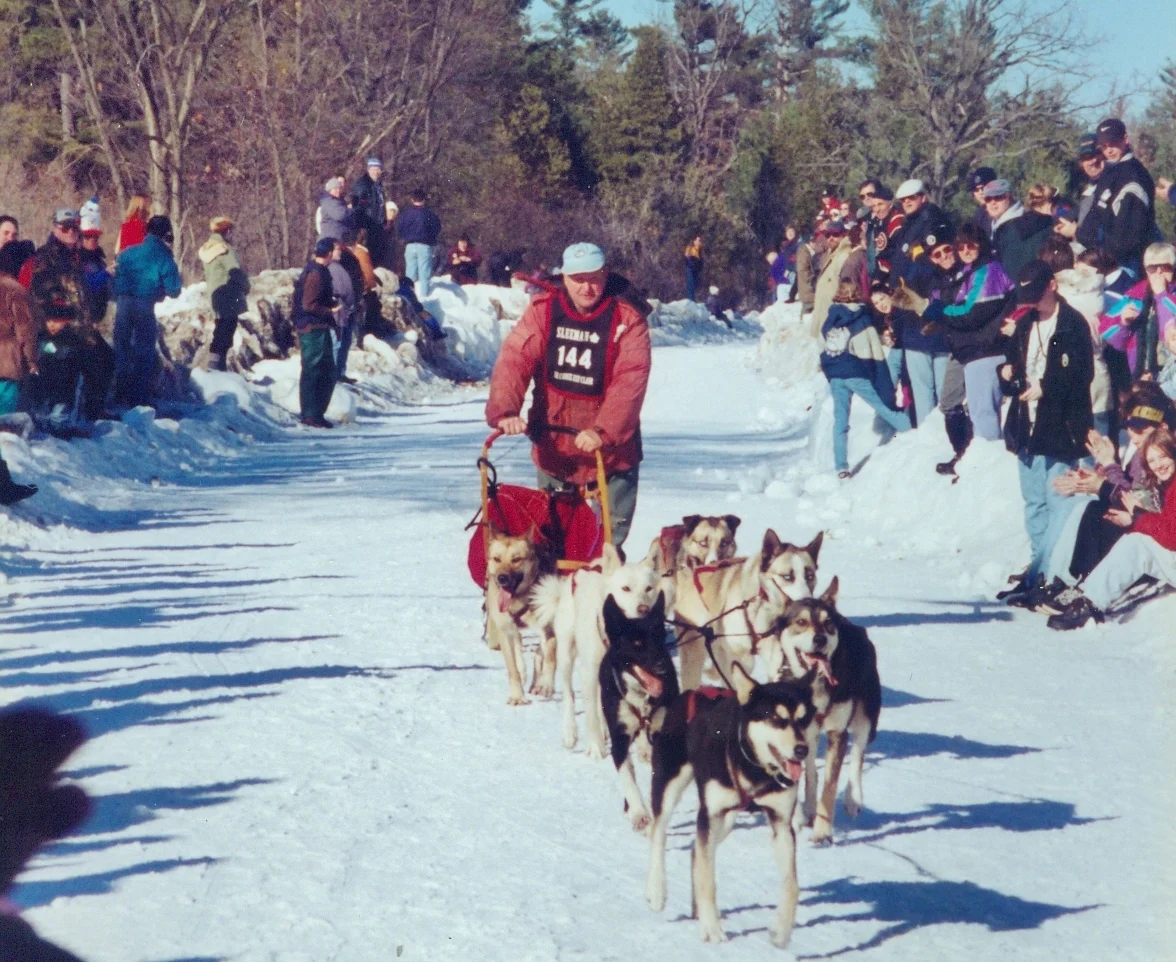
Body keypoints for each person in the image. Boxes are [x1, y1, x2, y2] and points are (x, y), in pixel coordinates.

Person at [485, 242, 651, 551]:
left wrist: (604, 430)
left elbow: (631, 380)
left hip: (613, 451)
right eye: (578, 279)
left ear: (606, 276)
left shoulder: (628, 319)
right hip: (555, 444)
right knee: (552, 538)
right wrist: (506, 410)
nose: (587, 288)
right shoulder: (544, 311)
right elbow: (515, 359)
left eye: (595, 278)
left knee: (608, 544)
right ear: (564, 278)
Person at [997, 260, 1094, 605]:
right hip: (1027, 425)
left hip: (1061, 426)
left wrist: (1046, 386)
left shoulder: (1072, 324)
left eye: (1037, 294)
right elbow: (1009, 364)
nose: (1033, 302)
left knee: (1059, 502)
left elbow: (1081, 376)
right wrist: (1007, 373)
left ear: (1051, 285)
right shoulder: (1025, 323)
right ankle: (1038, 570)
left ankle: (1052, 573)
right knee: (1034, 502)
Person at [1047, 427, 1176, 629]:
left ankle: (1088, 601)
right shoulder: (1165, 483)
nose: (1158, 465)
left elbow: (1171, 535)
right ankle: (1074, 589)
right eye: (1152, 461)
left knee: (1136, 543)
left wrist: (1138, 517)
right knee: (1094, 513)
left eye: (1163, 457)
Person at [27, 208, 115, 421]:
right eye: (65, 227)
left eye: (75, 227)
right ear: (55, 228)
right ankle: (57, 418)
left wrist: (90, 316)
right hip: (59, 327)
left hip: (81, 326)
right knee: (64, 369)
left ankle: (91, 412)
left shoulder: (75, 256)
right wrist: (56, 318)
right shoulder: (46, 256)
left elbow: (82, 292)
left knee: (105, 359)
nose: (70, 232)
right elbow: (40, 293)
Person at [821, 277, 910, 478]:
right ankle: (913, 434)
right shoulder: (862, 319)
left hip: (835, 374)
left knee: (840, 420)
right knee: (883, 408)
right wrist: (882, 381)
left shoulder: (831, 319)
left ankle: (841, 467)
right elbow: (873, 354)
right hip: (856, 373)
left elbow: (825, 346)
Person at [110, 215, 182, 407]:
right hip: (145, 305)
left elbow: (114, 281)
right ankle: (137, 398)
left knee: (121, 348)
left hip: (123, 304)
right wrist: (159, 291)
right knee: (144, 351)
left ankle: (118, 394)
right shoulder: (164, 257)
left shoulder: (127, 253)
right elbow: (174, 289)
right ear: (166, 234)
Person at [1074, 118, 1156, 276]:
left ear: (1125, 139)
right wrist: (1081, 234)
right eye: (1104, 146)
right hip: (1104, 260)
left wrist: (1089, 239)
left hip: (1126, 264)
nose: (1109, 150)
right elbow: (1096, 213)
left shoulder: (1135, 176)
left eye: (1113, 143)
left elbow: (1127, 238)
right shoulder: (1111, 171)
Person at [293, 238, 339, 428]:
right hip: (312, 328)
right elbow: (308, 304)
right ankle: (310, 415)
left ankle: (317, 413)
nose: (339, 253)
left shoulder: (321, 271)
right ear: (328, 252)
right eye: (336, 249)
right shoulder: (314, 274)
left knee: (327, 370)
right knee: (313, 370)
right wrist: (331, 310)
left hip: (320, 327)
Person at [197, 216, 250, 371]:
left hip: (215, 295)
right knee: (226, 333)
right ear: (227, 230)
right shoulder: (224, 249)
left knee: (220, 330)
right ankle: (217, 369)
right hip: (229, 295)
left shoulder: (207, 248)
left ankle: (215, 366)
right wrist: (246, 287)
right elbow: (236, 272)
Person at [983, 179, 1053, 280]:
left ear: (1009, 197)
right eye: (988, 199)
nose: (993, 202)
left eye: (998, 197)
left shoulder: (1015, 226)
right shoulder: (997, 227)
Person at [0, 242, 39, 417]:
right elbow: (25, 330)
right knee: (5, 415)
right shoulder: (15, 290)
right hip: (7, 361)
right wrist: (31, 360)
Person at [397, 188, 442, 298]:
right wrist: (431, 239)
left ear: (412, 200)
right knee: (424, 274)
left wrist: (404, 237)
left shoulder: (405, 214)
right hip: (424, 245)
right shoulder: (429, 214)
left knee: (410, 273)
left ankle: (408, 298)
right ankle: (424, 298)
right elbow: (437, 228)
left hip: (410, 245)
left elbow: (399, 228)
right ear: (424, 200)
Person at [325, 239, 357, 383]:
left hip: (346, 311)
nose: (340, 252)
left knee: (344, 343)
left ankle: (340, 373)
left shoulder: (340, 266)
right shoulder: (330, 268)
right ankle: (333, 376)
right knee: (336, 344)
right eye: (337, 249)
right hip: (338, 311)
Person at [351, 158, 392, 268]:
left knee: (377, 255)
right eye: (374, 169)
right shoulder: (363, 184)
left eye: (378, 169)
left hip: (377, 225)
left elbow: (380, 205)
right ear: (368, 169)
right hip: (367, 225)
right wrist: (360, 225)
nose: (376, 172)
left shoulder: (378, 185)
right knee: (366, 255)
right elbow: (358, 206)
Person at [864, 184, 904, 280]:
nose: (877, 209)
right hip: (881, 273)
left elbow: (898, 256)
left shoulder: (897, 221)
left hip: (896, 276)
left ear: (890, 204)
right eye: (874, 206)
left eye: (880, 204)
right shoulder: (878, 221)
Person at [77, 216, 111, 326]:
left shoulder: (99, 260)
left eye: (95, 237)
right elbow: (87, 286)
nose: (92, 240)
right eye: (87, 237)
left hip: (99, 313)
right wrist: (106, 274)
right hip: (83, 316)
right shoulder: (77, 259)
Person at [795, 231, 824, 314]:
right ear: (810, 242)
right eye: (815, 242)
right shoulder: (803, 252)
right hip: (807, 289)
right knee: (808, 308)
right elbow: (802, 269)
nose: (816, 244)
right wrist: (812, 279)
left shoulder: (807, 251)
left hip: (808, 289)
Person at [317, 177, 353, 243]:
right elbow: (341, 215)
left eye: (339, 188)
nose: (338, 190)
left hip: (338, 238)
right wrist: (351, 210)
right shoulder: (329, 202)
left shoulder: (338, 201)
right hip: (331, 239)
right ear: (330, 190)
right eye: (335, 188)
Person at [967, 166, 999, 234]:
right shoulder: (979, 217)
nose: (980, 192)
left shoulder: (1003, 208)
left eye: (983, 187)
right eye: (976, 190)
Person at [684, 235, 703, 301]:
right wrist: (691, 265)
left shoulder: (699, 250)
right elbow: (687, 257)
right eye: (698, 240)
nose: (699, 242)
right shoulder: (690, 248)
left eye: (700, 241)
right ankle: (690, 300)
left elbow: (700, 260)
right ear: (694, 241)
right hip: (690, 268)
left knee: (695, 285)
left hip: (696, 269)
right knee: (690, 284)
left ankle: (693, 299)